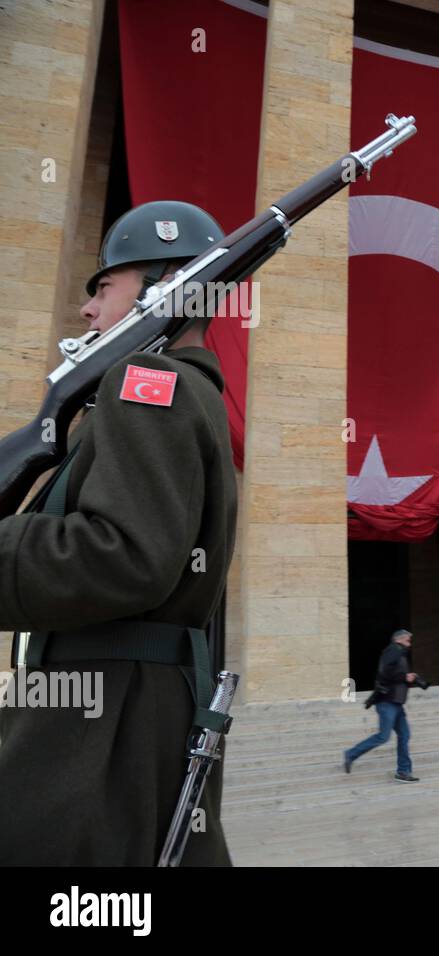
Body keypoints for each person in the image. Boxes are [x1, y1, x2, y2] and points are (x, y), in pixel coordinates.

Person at [0, 200, 238, 865]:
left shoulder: (149, 381)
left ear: (165, 285)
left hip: (102, 734)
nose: (88, 307)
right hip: (108, 716)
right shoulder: (162, 389)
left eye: (105, 285)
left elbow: (126, 557)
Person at [343, 628, 419, 782]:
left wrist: (411, 679)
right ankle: (351, 754)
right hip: (387, 703)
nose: (409, 644)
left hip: (397, 703)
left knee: (404, 735)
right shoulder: (392, 651)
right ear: (398, 640)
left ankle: (403, 772)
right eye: (407, 640)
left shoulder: (399, 654)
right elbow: (385, 673)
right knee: (383, 737)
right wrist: (405, 676)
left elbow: (395, 677)